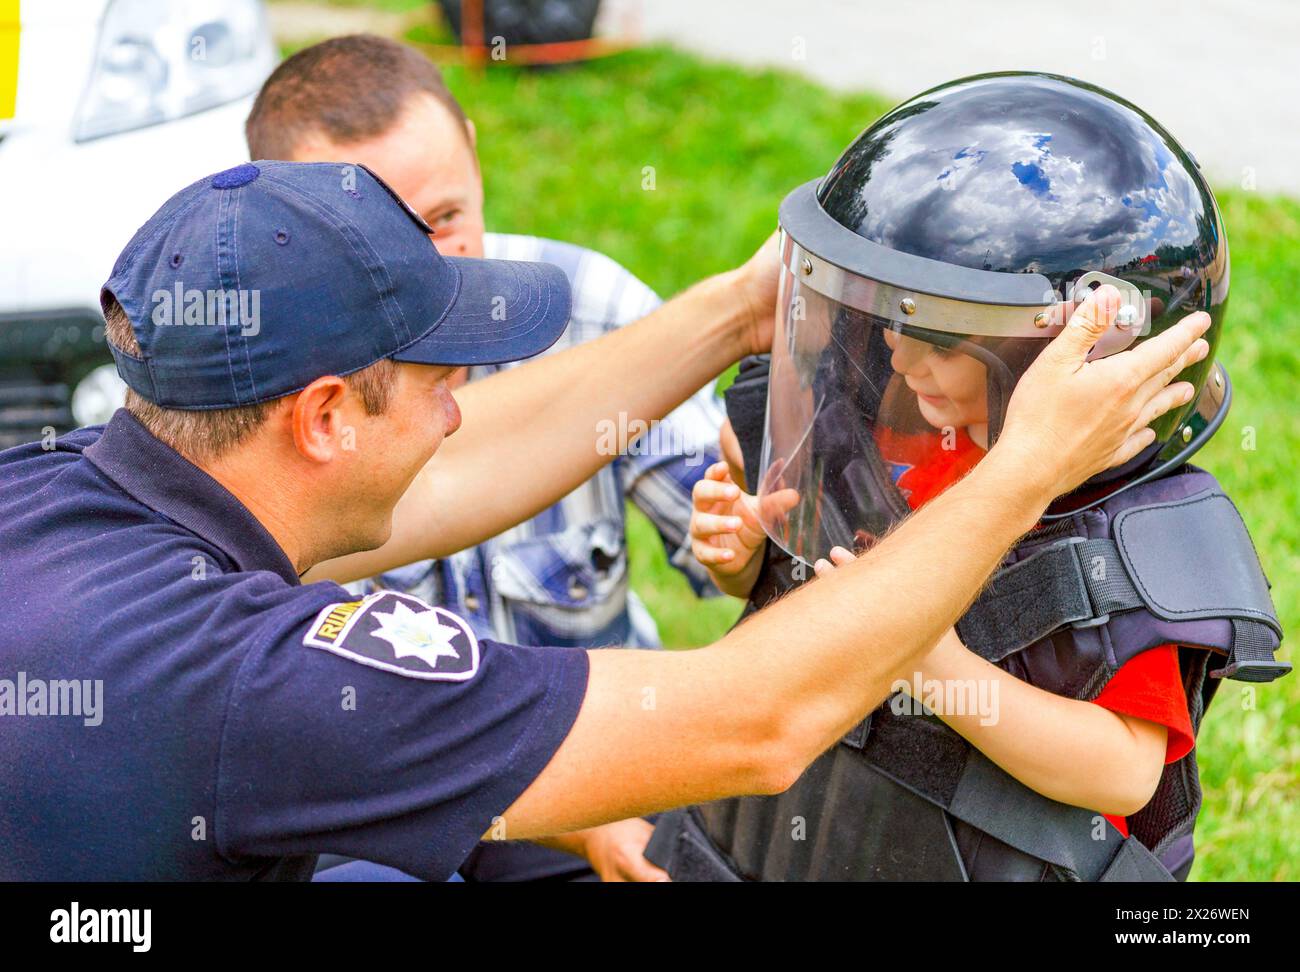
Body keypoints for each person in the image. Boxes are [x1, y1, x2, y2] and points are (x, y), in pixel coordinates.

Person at [0, 157, 1209, 881]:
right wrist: (1025, 467)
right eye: (440, 377)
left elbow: (444, 477)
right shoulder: (263, 685)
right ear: (323, 418)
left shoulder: (49, 492)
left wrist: (742, 313)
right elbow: (754, 725)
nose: (464, 405)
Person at [648, 72, 1288, 882]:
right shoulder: (931, 445)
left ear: (1094, 352)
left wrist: (936, 667)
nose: (898, 356)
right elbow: (824, 577)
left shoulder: (1114, 553)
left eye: (942, 342)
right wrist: (750, 558)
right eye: (891, 325)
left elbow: (1125, 772)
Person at [243, 32, 720, 883]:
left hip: (602, 760)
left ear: (473, 145)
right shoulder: (251, 402)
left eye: (446, 218)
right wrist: (583, 830)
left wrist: (742, 530)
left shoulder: (596, 314)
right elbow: (289, 743)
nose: (428, 265)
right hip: (368, 808)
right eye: (378, 243)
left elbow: (723, 539)